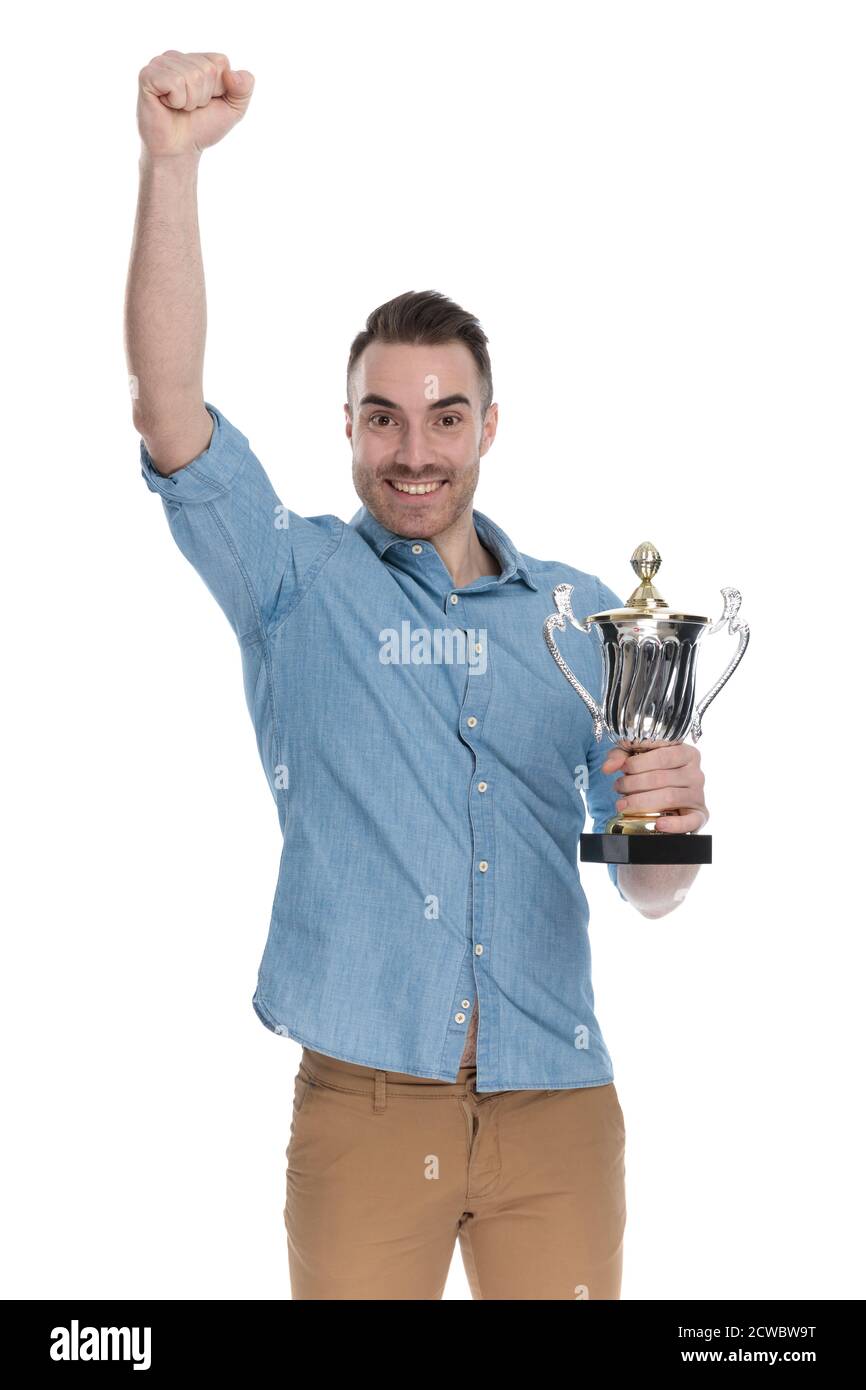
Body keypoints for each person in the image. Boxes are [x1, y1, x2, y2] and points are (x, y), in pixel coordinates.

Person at [125, 50, 709, 1301]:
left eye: (444, 415)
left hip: (558, 1104)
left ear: (487, 427)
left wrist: (674, 813)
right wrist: (170, 165)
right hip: (366, 1107)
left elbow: (648, 888)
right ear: (345, 427)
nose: (412, 449)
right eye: (381, 416)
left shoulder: (583, 614)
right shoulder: (293, 583)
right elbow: (168, 407)